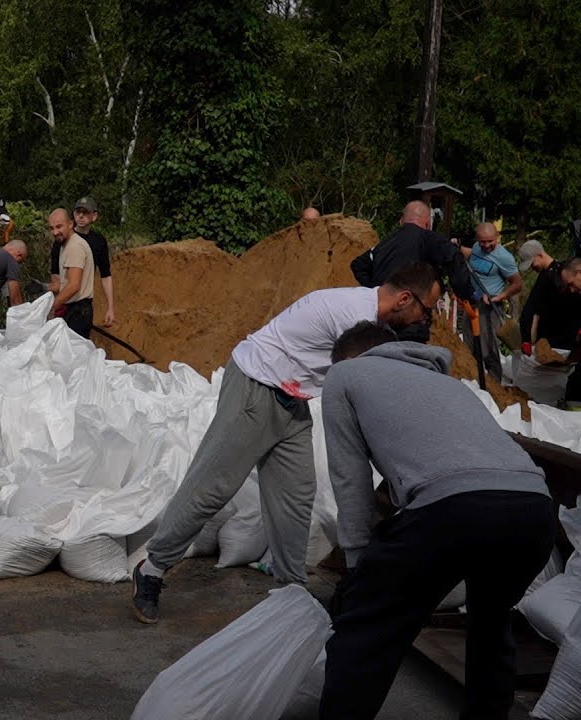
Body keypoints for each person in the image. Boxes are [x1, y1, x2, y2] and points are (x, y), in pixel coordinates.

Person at [130, 263, 441, 624]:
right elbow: (362, 385)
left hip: (292, 398)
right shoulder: (355, 318)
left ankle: (291, 593)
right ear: (405, 299)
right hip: (256, 384)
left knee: (295, 497)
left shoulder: (376, 318)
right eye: (426, 309)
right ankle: (151, 569)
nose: (426, 319)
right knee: (213, 487)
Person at [318, 321, 553, 720]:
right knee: (491, 625)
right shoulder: (451, 385)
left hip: (453, 510)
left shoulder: (345, 373)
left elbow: (350, 477)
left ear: (351, 356)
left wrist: (359, 566)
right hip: (533, 508)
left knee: (366, 631)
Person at [350, 200, 474, 302]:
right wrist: (466, 293)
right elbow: (453, 255)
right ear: (427, 223)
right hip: (409, 309)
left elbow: (358, 265)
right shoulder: (428, 238)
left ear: (401, 221)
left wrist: (376, 289)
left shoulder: (385, 243)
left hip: (382, 307)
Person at [516, 239, 581, 403]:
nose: (572, 291)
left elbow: (529, 311)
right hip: (555, 342)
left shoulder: (555, 276)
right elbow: (530, 310)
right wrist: (526, 339)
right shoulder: (553, 275)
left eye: (532, 264)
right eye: (569, 287)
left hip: (566, 342)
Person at [459, 222, 523, 384]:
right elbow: (471, 255)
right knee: (469, 346)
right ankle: (472, 383)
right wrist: (456, 246)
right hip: (473, 303)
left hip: (491, 308)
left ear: (497, 237)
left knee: (488, 350)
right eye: (483, 242)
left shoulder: (504, 258)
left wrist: (500, 296)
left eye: (490, 241)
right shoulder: (476, 247)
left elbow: (517, 284)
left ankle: (494, 386)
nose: (486, 245)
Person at [50, 197, 115, 327]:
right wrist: (57, 301)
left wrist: (110, 307)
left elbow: (105, 275)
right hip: (67, 304)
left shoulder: (97, 241)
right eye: (78, 212)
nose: (80, 216)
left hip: (80, 305)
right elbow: (57, 275)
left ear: (94, 216)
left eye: (85, 212)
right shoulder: (61, 240)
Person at [46, 208, 96, 339]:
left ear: (70, 224)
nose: (55, 232)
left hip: (78, 312)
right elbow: (66, 282)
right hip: (74, 310)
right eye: (51, 228)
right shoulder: (66, 245)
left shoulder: (75, 247)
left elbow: (74, 285)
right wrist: (45, 288)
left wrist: (52, 306)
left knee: (74, 356)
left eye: (59, 226)